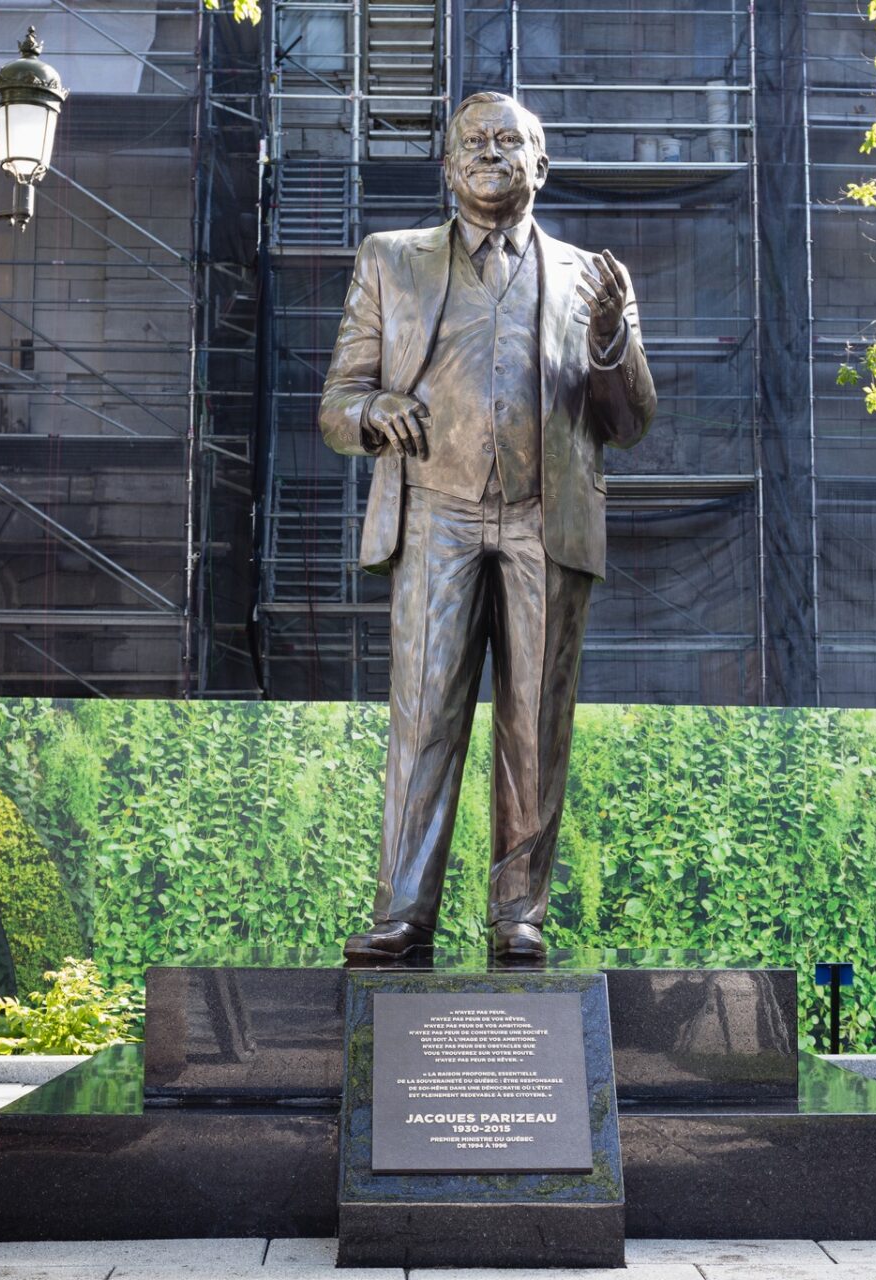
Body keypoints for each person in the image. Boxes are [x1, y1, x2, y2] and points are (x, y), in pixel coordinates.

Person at [319, 91, 656, 963]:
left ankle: (519, 916)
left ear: (540, 166)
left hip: (548, 523)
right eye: (474, 140)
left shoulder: (590, 278)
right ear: (447, 165)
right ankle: (402, 912)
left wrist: (615, 341)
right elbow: (337, 402)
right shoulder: (391, 261)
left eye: (511, 141)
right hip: (436, 514)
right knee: (425, 714)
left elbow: (629, 422)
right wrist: (374, 408)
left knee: (535, 725)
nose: (491, 152)